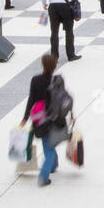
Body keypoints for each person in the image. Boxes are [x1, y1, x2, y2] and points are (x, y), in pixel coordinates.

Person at [22, 54, 63, 186]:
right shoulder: (56, 81)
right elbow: (63, 99)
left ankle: (52, 167)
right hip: (53, 117)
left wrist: (25, 117)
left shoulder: (35, 80)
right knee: (49, 147)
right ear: (54, 66)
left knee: (48, 144)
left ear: (42, 65)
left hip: (39, 117)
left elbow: (31, 99)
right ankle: (44, 176)